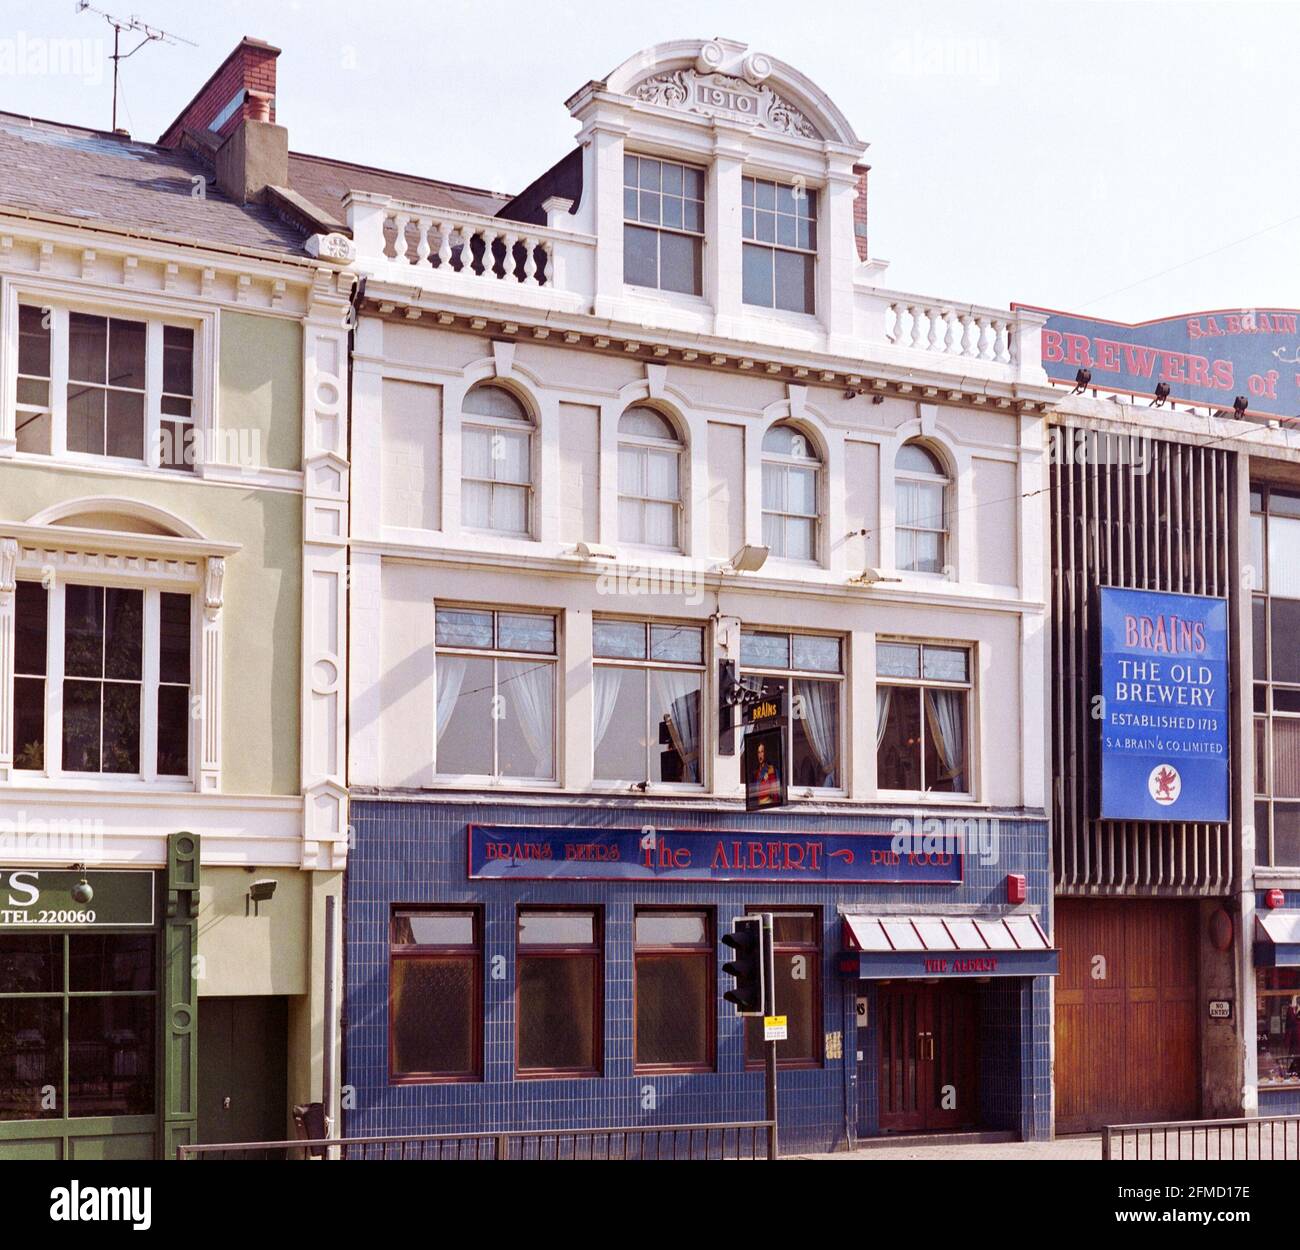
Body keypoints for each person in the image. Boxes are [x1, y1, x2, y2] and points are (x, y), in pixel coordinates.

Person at [750, 739, 782, 807]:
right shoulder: (756, 771)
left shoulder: (770, 769)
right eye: (758, 752)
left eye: (762, 752)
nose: (760, 755)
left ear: (766, 753)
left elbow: (775, 793)